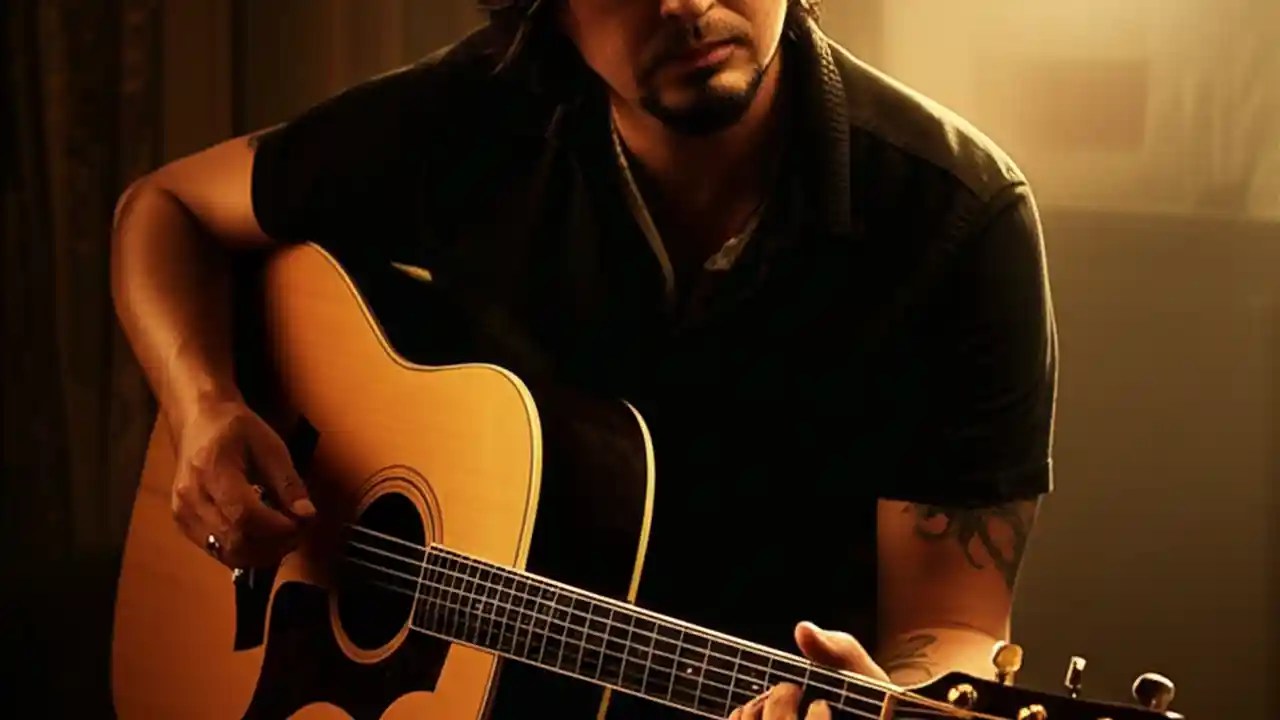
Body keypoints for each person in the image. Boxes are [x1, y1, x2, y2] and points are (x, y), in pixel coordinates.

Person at [110, 0, 1057, 717]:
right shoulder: (470, 121)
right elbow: (164, 209)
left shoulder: (957, 221)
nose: (682, 1)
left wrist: (891, 697)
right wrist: (204, 409)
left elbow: (952, 623)